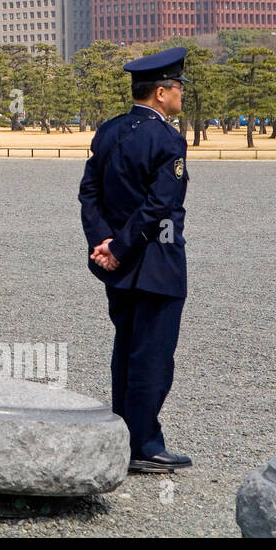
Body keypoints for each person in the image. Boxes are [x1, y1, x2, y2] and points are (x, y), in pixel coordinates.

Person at [78, 47, 192, 474]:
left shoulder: (109, 131)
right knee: (154, 355)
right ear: (161, 93)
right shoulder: (166, 138)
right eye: (178, 87)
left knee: (126, 349)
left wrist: (103, 243)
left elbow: (89, 195)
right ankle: (143, 443)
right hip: (155, 262)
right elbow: (160, 205)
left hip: (117, 266)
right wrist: (122, 246)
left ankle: (123, 437)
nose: (181, 93)